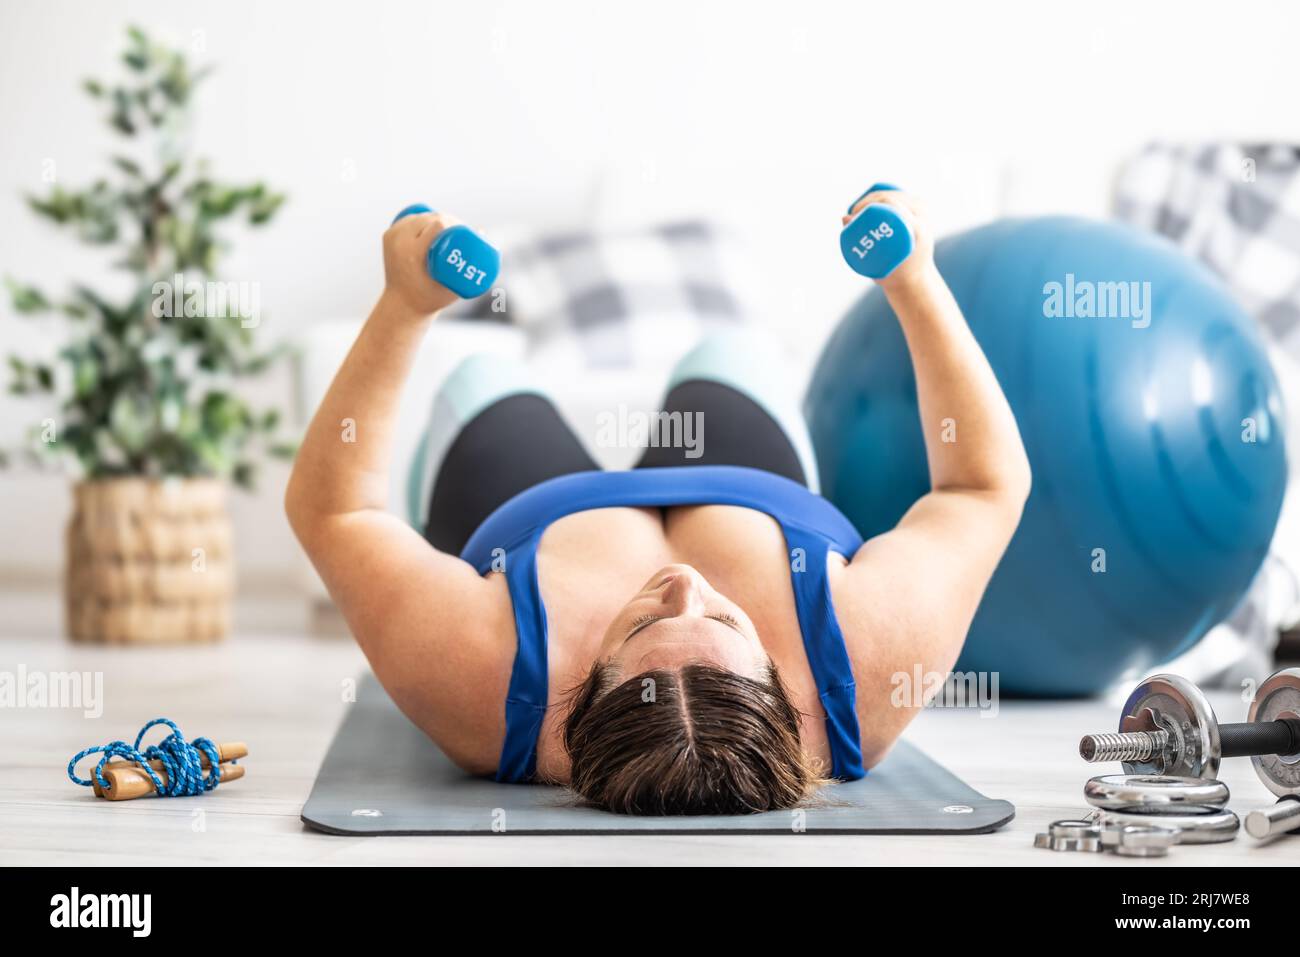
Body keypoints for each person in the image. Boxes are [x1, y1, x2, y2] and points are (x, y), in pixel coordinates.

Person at [285, 190, 1031, 815]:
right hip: (748, 480)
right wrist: (913, 278)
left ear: (578, 700)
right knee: (730, 349)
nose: (686, 587)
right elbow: (981, 487)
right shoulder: (864, 666)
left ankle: (482, 359)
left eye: (643, 624)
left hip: (530, 509)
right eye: (723, 619)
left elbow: (336, 512)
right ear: (786, 689)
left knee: (479, 370)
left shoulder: (482, 682)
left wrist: (405, 304)